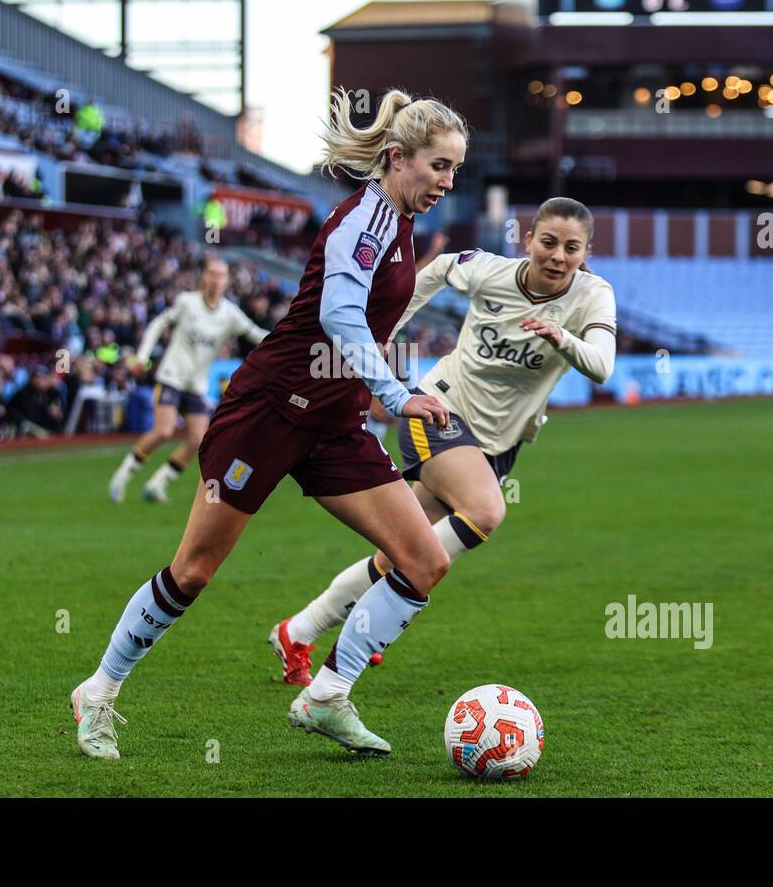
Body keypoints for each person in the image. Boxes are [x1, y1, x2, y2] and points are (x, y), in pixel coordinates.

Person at [70, 88, 467, 760]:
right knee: (193, 572)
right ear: (399, 158)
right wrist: (396, 396)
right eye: (439, 167)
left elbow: (360, 328)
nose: (447, 183)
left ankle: (326, 696)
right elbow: (341, 319)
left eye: (455, 169)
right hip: (270, 412)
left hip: (333, 424)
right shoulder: (362, 224)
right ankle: (99, 691)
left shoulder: (398, 227)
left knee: (424, 560)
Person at [270, 198, 617, 684]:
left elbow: (602, 365)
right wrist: (387, 327)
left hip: (498, 443)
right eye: (549, 242)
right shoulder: (488, 269)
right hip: (439, 409)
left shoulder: (593, 295)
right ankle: (341, 672)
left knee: (395, 555)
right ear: (529, 240)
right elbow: (433, 272)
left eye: (571, 247)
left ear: (586, 252)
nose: (558, 256)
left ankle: (297, 631)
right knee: (486, 512)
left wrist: (562, 337)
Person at [107, 258, 270, 503]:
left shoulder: (230, 314)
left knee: (198, 439)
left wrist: (290, 341)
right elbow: (157, 324)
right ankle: (123, 475)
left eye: (221, 275)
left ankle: (158, 483)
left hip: (197, 384)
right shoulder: (187, 303)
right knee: (164, 430)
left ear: (226, 281)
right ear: (204, 277)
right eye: (211, 274)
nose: (215, 280)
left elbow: (257, 334)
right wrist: (142, 356)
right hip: (172, 376)